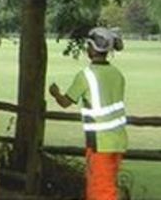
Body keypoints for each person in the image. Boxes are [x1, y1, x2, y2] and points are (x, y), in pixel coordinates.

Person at [49, 27, 128, 200]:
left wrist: (55, 93)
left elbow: (65, 102)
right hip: (118, 140)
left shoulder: (86, 75)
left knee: (102, 191)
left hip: (100, 142)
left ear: (92, 48)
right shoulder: (117, 74)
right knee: (105, 187)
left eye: (88, 45)